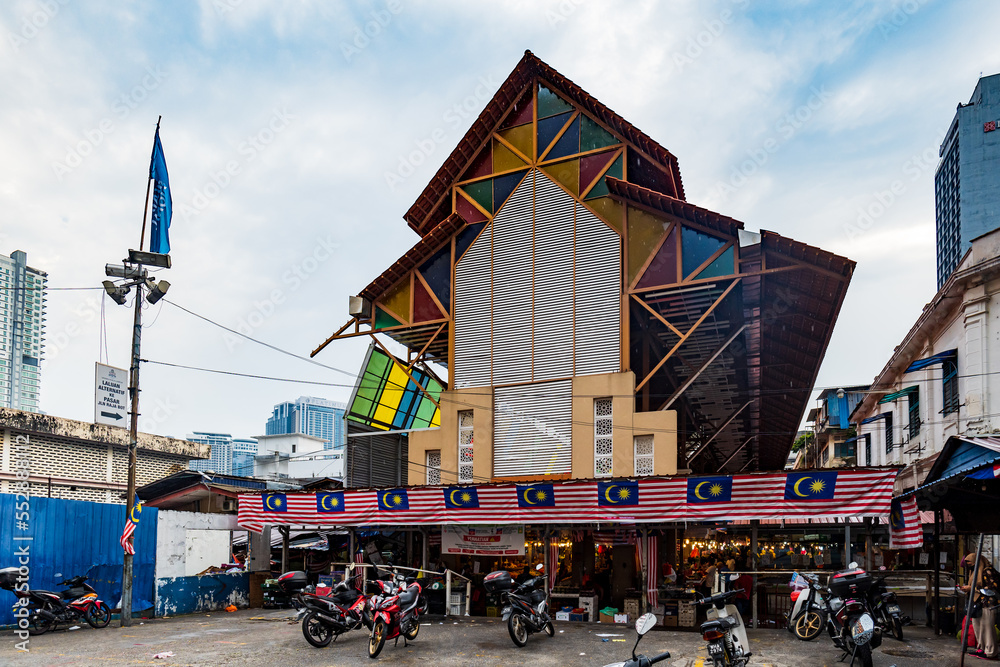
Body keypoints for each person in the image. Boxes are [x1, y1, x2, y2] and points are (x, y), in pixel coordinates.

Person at [960, 553, 998, 659]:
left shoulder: (987, 571)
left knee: (987, 628)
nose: (969, 566)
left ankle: (990, 652)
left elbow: (992, 588)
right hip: (977, 603)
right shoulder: (974, 572)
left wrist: (972, 589)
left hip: (988, 603)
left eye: (970, 563)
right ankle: (981, 648)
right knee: (978, 627)